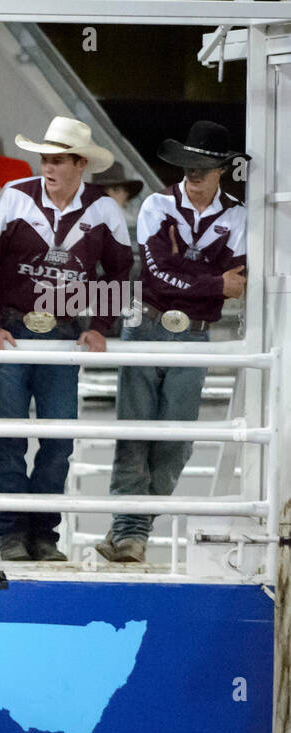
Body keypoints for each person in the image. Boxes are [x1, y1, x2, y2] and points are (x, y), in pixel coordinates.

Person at [0, 117, 134, 561]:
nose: (48, 167)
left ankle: (43, 534)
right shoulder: (14, 197)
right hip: (9, 327)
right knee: (7, 437)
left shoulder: (103, 208)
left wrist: (100, 325)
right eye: (45, 159)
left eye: (58, 160)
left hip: (64, 332)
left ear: (80, 163)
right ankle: (11, 534)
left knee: (58, 440)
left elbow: (121, 269)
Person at [97, 121, 248, 564]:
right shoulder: (159, 204)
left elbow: (217, 280)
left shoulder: (231, 214)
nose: (193, 172)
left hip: (182, 331)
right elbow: (158, 270)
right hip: (150, 324)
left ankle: (130, 530)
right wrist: (213, 283)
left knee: (175, 443)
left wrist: (202, 281)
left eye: (201, 164)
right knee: (136, 435)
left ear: (220, 167)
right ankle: (130, 534)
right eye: (187, 164)